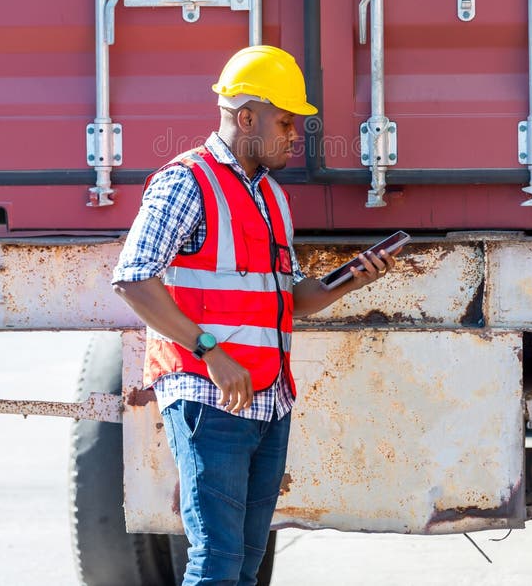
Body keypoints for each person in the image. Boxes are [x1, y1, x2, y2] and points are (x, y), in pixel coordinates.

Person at [112, 45, 398, 586]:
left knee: (244, 566)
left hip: (268, 398)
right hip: (209, 395)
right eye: (285, 122)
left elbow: (290, 298)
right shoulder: (186, 181)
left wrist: (352, 279)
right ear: (246, 118)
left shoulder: (270, 196)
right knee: (217, 562)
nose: (295, 136)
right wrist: (210, 353)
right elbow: (133, 277)